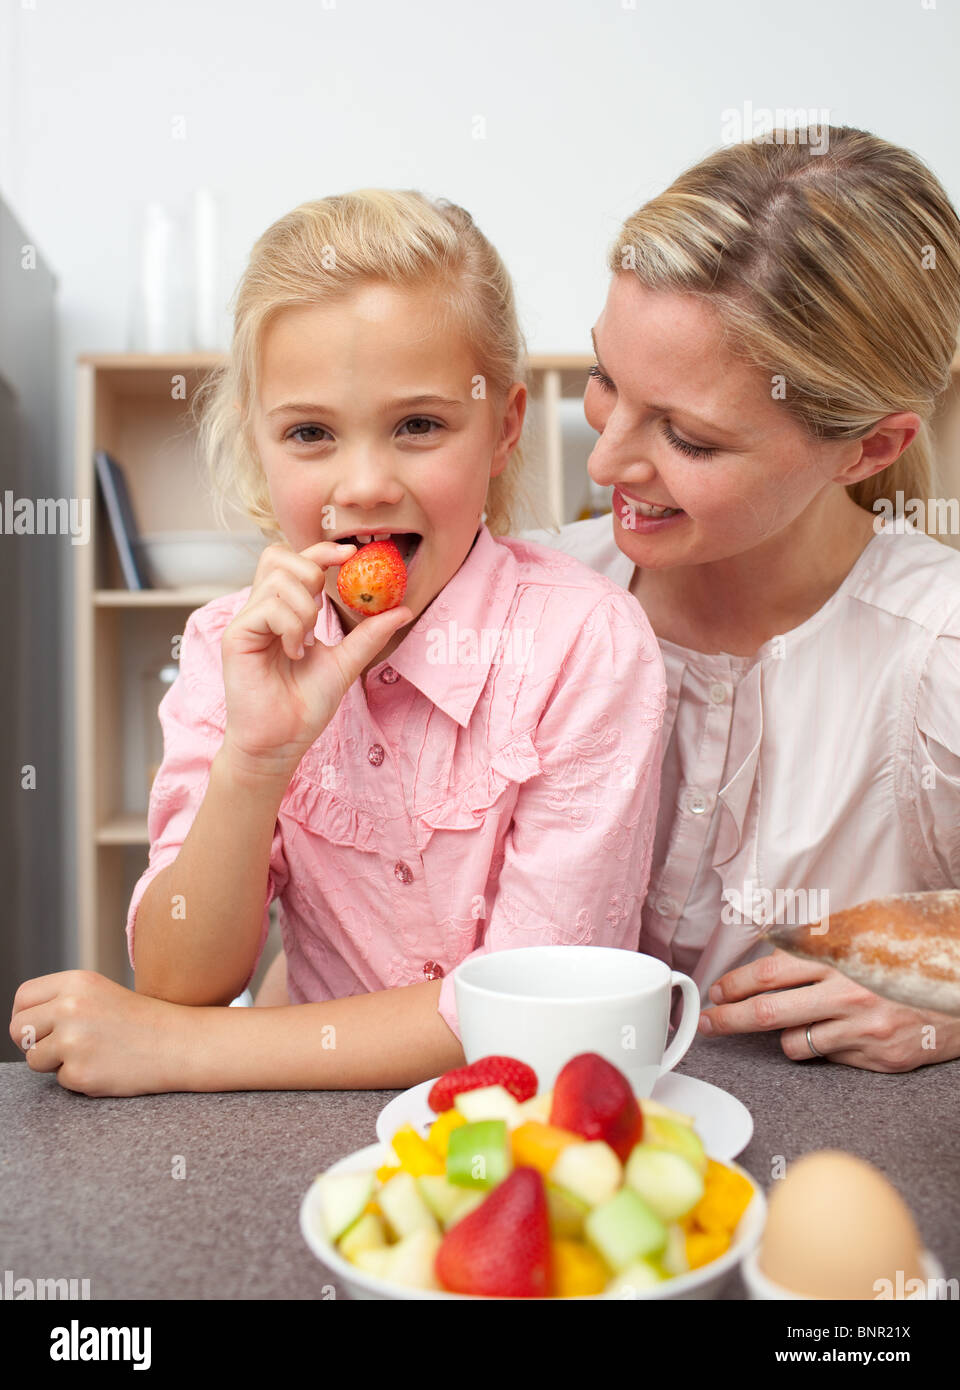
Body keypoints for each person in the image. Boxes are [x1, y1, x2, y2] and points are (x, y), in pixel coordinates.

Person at [9, 189, 665, 1096]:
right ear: (259, 442)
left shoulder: (585, 643)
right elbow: (177, 978)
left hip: (523, 1142)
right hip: (304, 1138)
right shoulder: (222, 649)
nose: (363, 484)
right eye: (310, 433)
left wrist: (181, 1049)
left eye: (418, 426)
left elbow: (534, 1011)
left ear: (504, 426)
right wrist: (255, 758)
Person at [521, 125, 960, 1073]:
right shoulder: (525, 601)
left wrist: (949, 989)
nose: (602, 463)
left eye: (689, 438)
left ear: (870, 449)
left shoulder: (937, 650)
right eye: (605, 379)